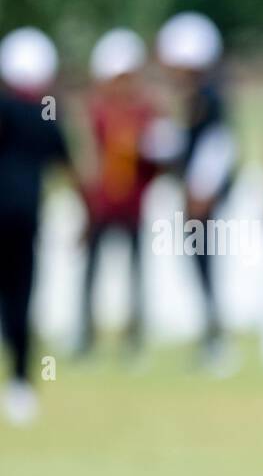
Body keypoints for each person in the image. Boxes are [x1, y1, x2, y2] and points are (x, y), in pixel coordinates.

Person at [0, 27, 74, 426]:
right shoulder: (46, 114)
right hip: (26, 220)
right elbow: (66, 162)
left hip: (12, 219)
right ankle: (20, 384)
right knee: (20, 300)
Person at [155, 12, 236, 369]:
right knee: (200, 266)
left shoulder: (208, 97)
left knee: (206, 265)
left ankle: (216, 340)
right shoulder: (199, 95)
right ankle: (211, 335)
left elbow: (217, 145)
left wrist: (199, 189)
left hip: (203, 199)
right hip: (196, 195)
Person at [79, 28, 159, 357]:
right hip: (103, 204)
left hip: (133, 205)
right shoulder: (98, 112)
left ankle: (134, 338)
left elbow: (155, 160)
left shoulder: (146, 112)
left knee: (136, 273)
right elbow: (90, 159)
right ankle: (84, 335)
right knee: (91, 272)